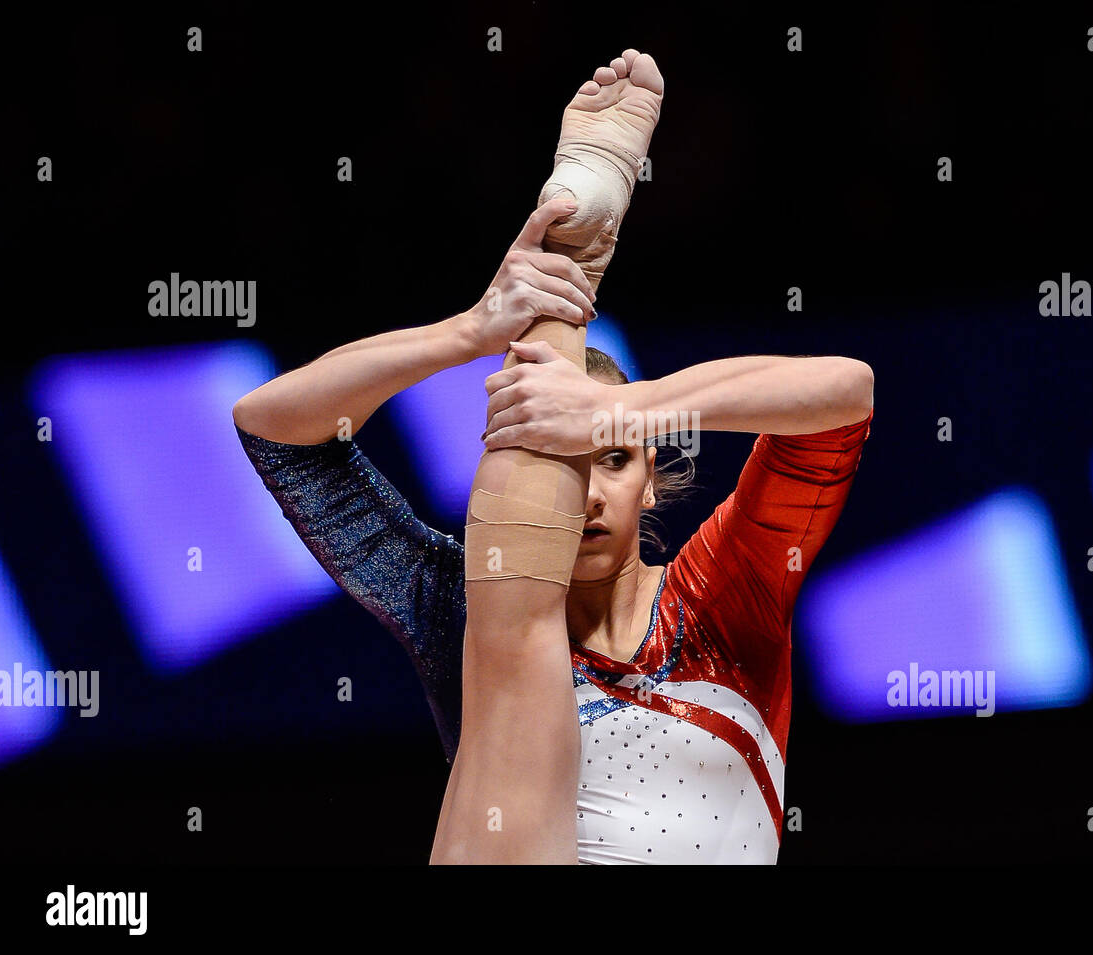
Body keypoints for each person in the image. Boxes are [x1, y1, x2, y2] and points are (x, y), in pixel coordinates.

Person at [234, 50, 874, 864]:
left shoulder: (724, 591)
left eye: (609, 460)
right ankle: (569, 264)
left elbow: (845, 392)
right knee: (505, 615)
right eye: (562, 471)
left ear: (650, 481)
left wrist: (620, 405)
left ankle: (573, 258)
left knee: (508, 613)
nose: (587, 498)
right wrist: (468, 331)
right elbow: (273, 425)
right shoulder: (449, 600)